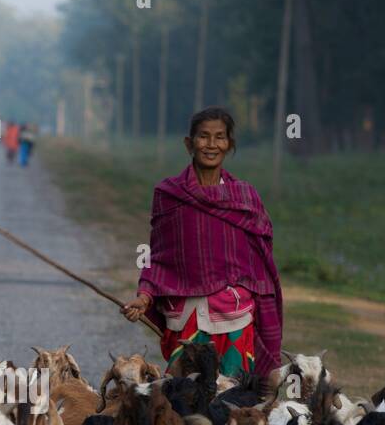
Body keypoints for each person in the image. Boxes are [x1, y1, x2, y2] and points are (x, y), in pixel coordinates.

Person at [121, 106, 283, 379]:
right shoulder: (168, 194)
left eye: (219, 137)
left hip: (235, 318)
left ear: (229, 144)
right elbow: (158, 255)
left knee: (232, 398)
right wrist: (145, 296)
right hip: (186, 318)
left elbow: (260, 261)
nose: (211, 144)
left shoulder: (245, 198)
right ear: (189, 143)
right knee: (183, 398)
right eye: (203, 136)